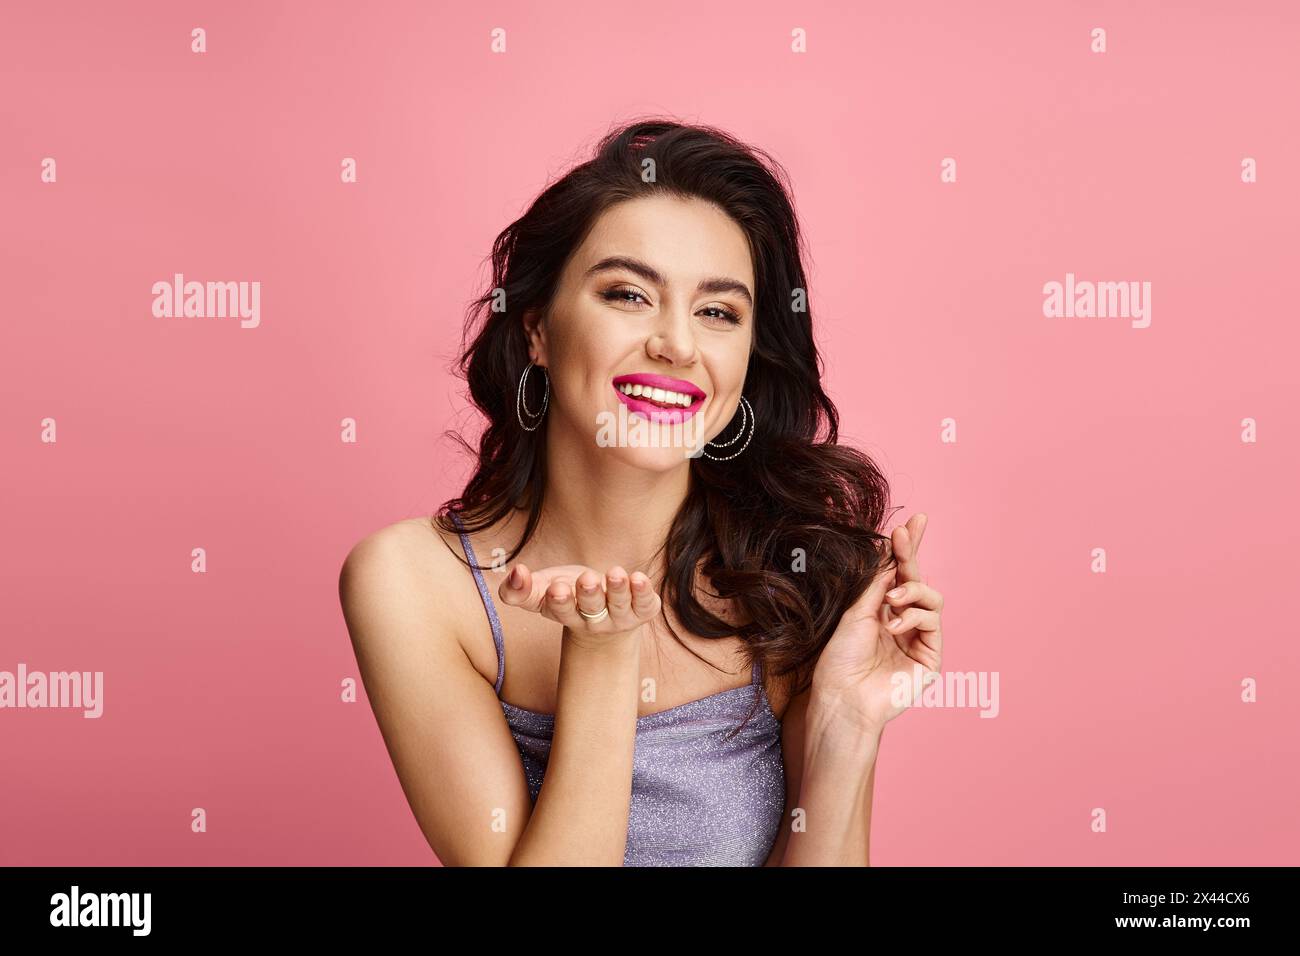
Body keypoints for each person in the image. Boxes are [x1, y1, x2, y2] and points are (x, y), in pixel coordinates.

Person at [339, 118, 945, 866]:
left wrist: (847, 722)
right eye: (629, 295)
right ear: (536, 329)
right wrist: (601, 654)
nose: (677, 344)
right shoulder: (413, 583)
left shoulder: (788, 578)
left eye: (718, 312)